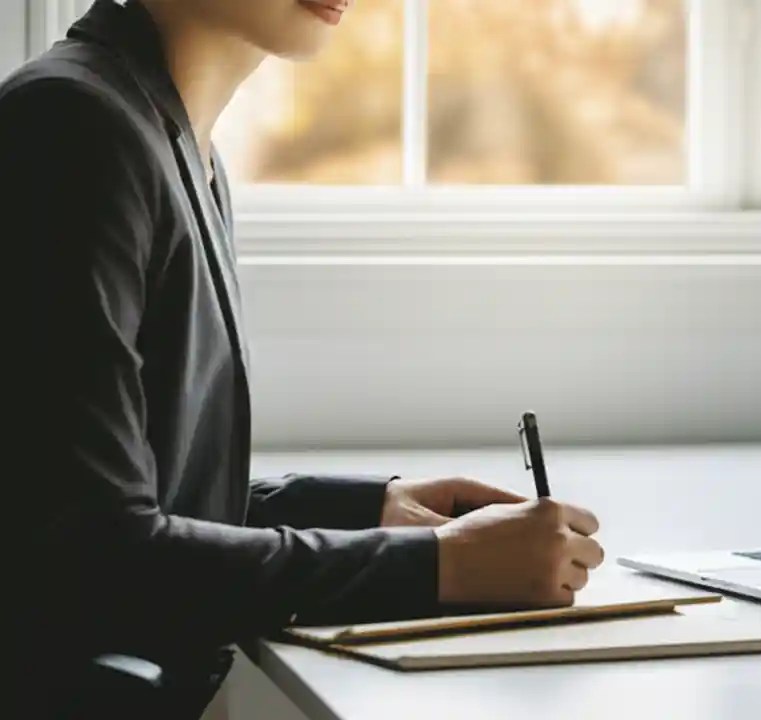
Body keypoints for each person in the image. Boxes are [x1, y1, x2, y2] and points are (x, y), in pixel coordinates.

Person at [0, 0, 605, 715]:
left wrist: (372, 511)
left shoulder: (173, 141)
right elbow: (93, 556)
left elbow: (146, 498)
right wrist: (440, 566)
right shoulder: (73, 128)